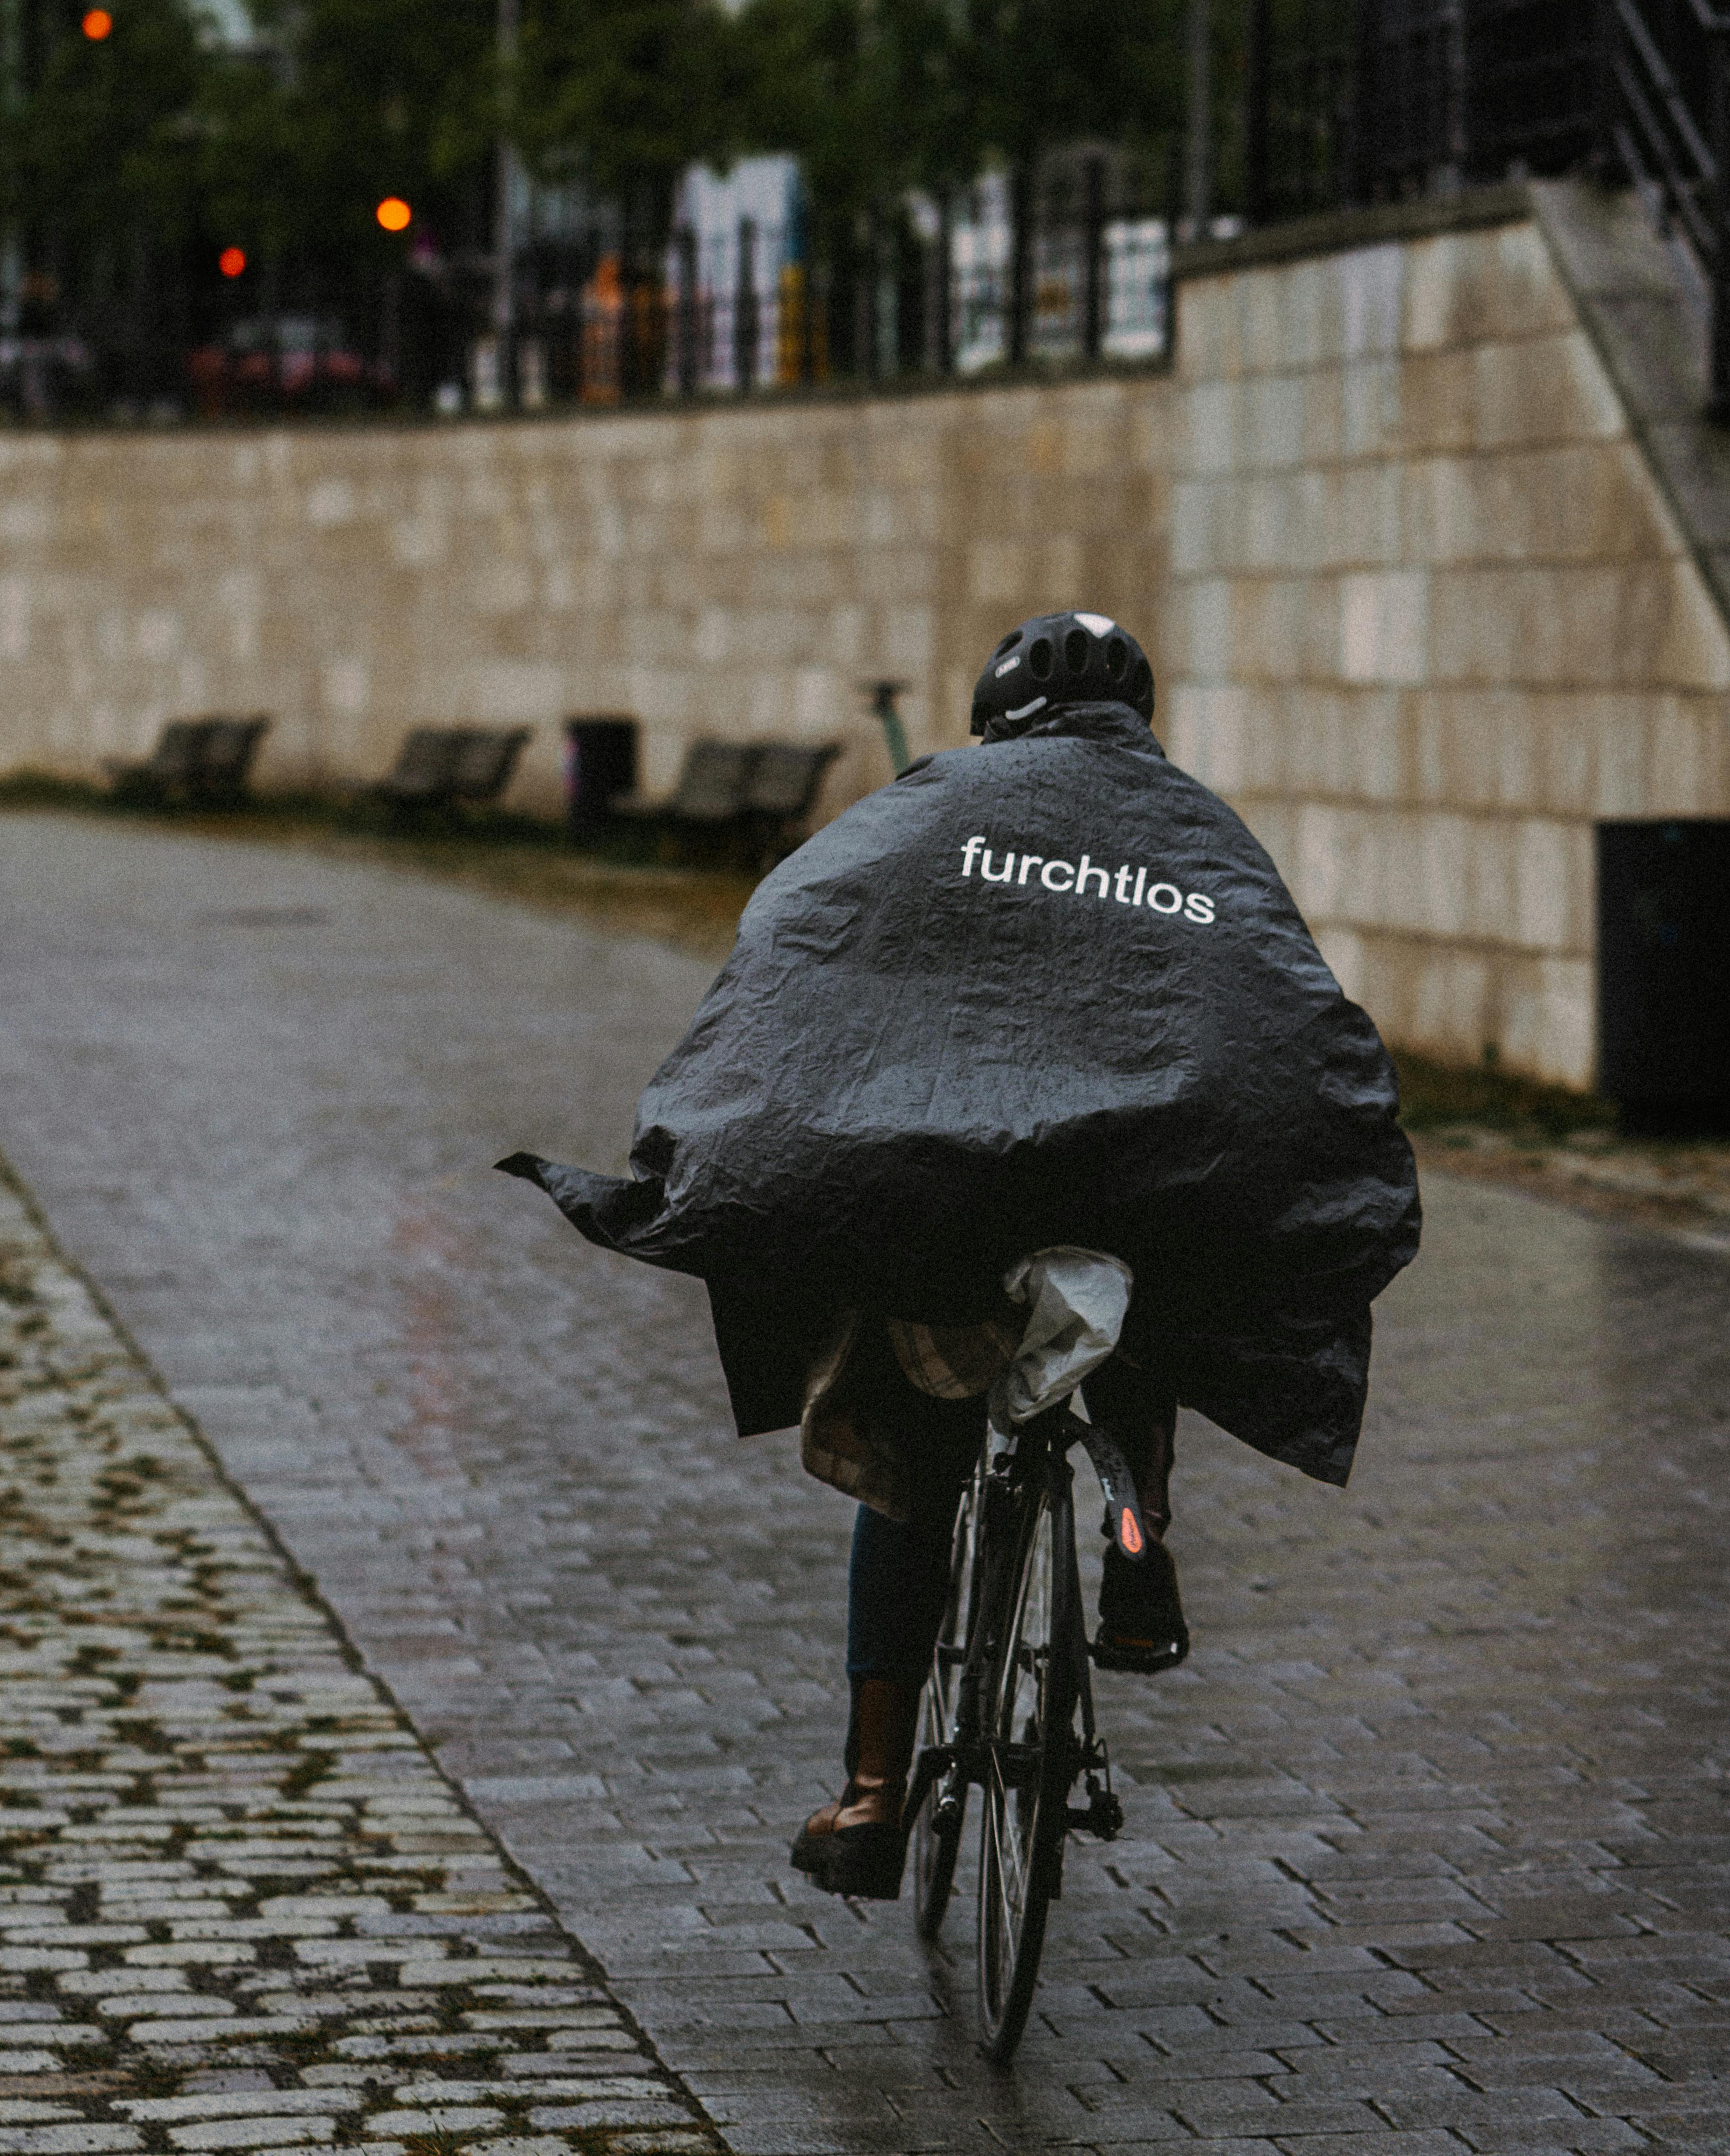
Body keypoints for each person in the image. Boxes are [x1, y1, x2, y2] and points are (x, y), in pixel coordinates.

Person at [500, 609, 1421, 1904]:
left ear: (999, 718)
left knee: (909, 1449)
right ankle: (1137, 1528)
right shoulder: (1196, 828)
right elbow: (1278, 1001)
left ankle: (875, 1795)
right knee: (1148, 1306)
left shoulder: (935, 804)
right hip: (1132, 1183)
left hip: (954, 1194)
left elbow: (803, 936)